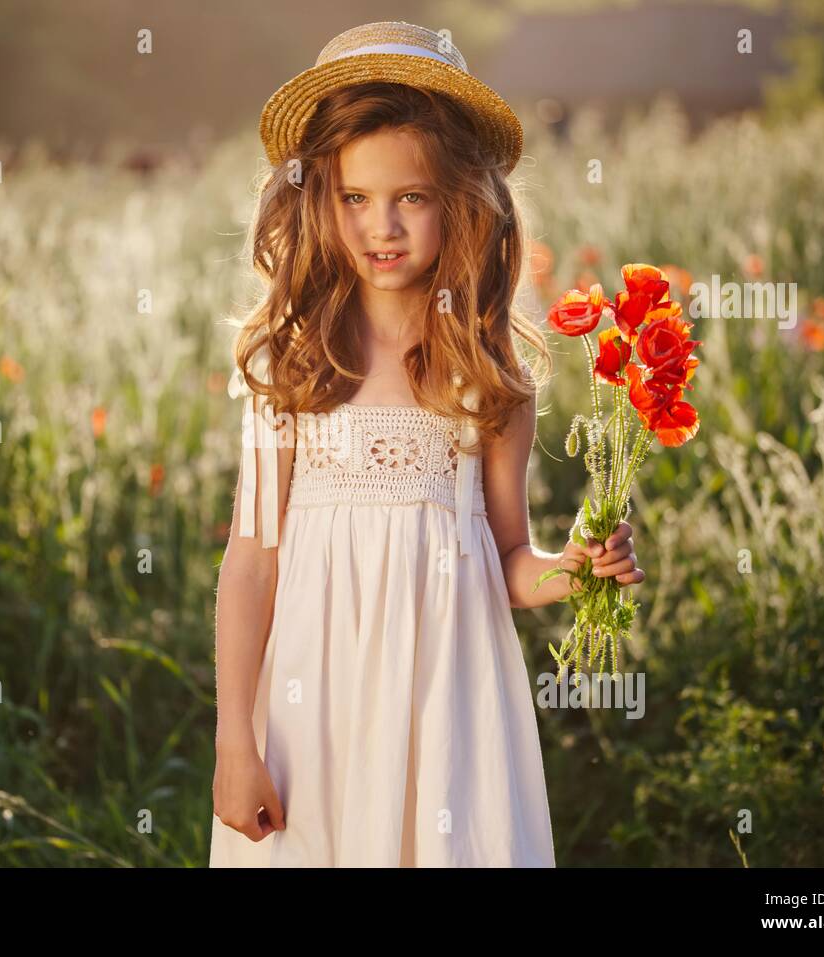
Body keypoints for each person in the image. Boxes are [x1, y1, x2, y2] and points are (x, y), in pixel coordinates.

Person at [210, 21, 643, 867]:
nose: (383, 227)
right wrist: (236, 742)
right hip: (314, 712)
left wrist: (575, 568)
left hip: (449, 706)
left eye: (411, 197)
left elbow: (508, 557)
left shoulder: (488, 373)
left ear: (460, 201)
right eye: (355, 198)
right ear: (318, 200)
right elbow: (251, 562)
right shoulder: (290, 360)